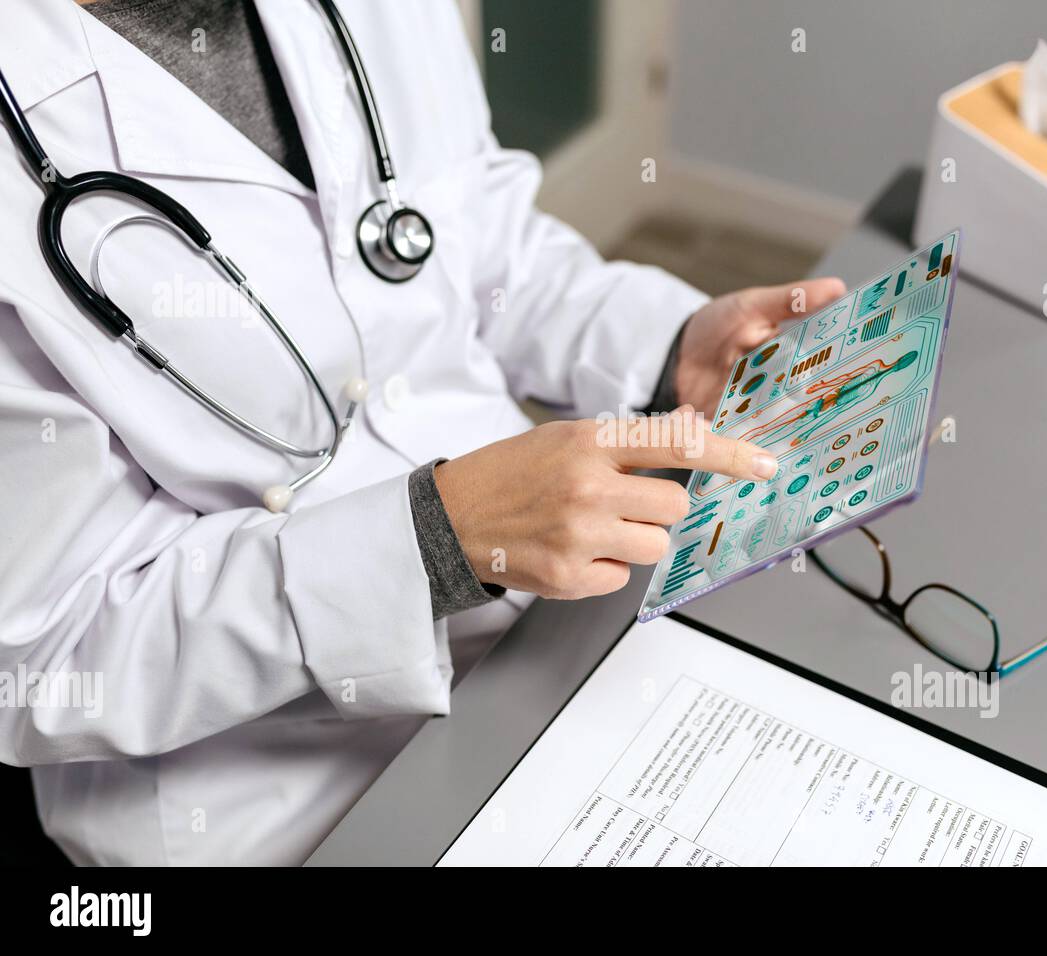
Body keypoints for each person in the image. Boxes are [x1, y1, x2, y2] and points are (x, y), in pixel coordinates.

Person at [0, 0, 844, 864]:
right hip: (284, 805)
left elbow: (477, 243)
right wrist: (432, 543)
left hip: (553, 636)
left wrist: (667, 347)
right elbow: (46, 661)